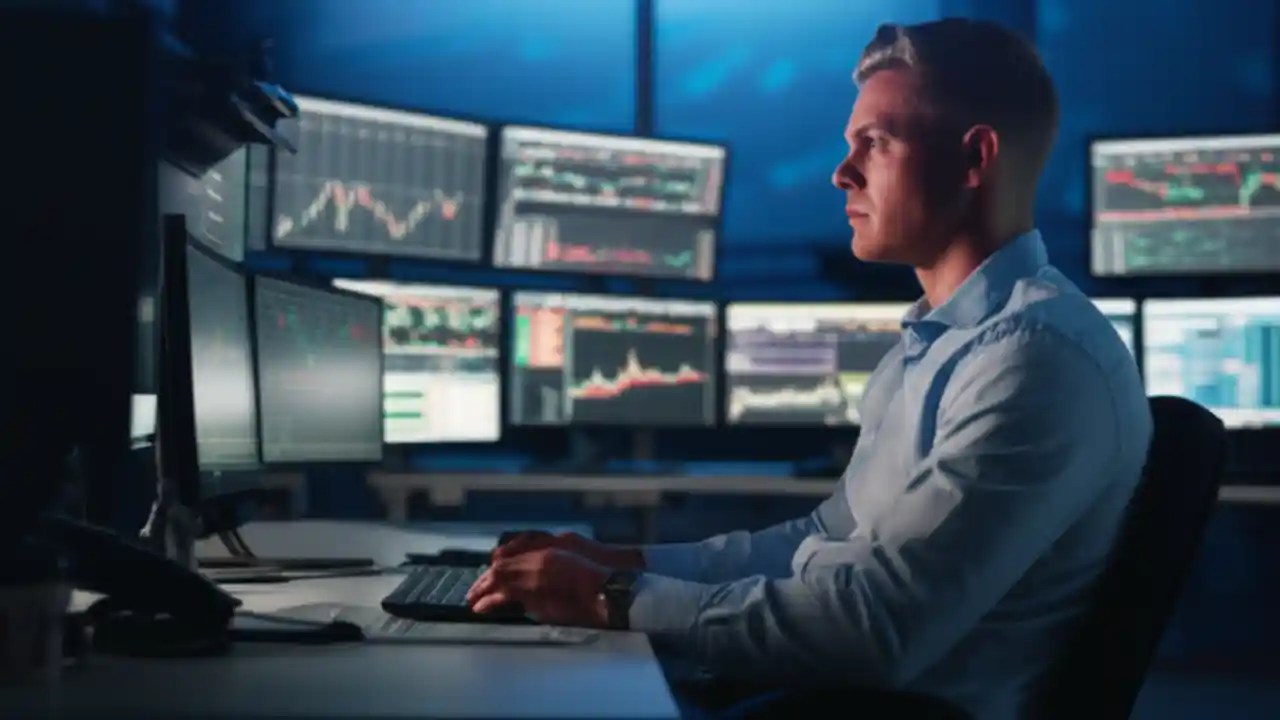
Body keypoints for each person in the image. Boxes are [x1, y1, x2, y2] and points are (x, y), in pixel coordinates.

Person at [466, 18, 1152, 720]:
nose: (840, 171)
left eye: (874, 144)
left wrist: (608, 598)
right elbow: (821, 541)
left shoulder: (1034, 359)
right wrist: (621, 562)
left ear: (974, 158)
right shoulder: (939, 344)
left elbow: (875, 628)